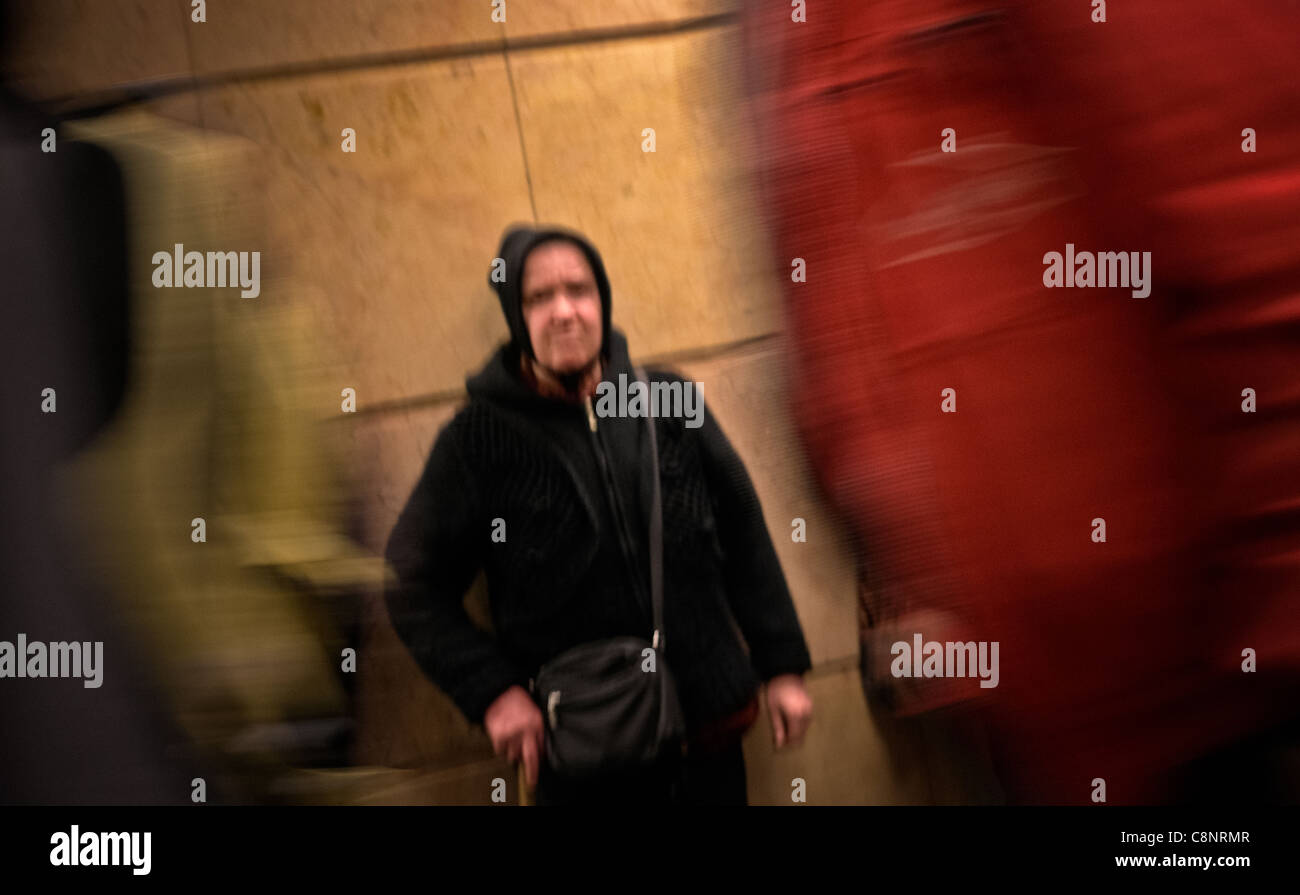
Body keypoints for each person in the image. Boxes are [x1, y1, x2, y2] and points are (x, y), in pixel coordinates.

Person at [384, 223, 814, 804]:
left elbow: (743, 527)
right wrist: (492, 691)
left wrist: (782, 664)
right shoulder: (476, 441)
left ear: (601, 300)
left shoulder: (666, 398)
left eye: (579, 290)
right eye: (539, 297)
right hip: (589, 758)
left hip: (707, 740)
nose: (564, 311)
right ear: (516, 315)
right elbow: (411, 583)